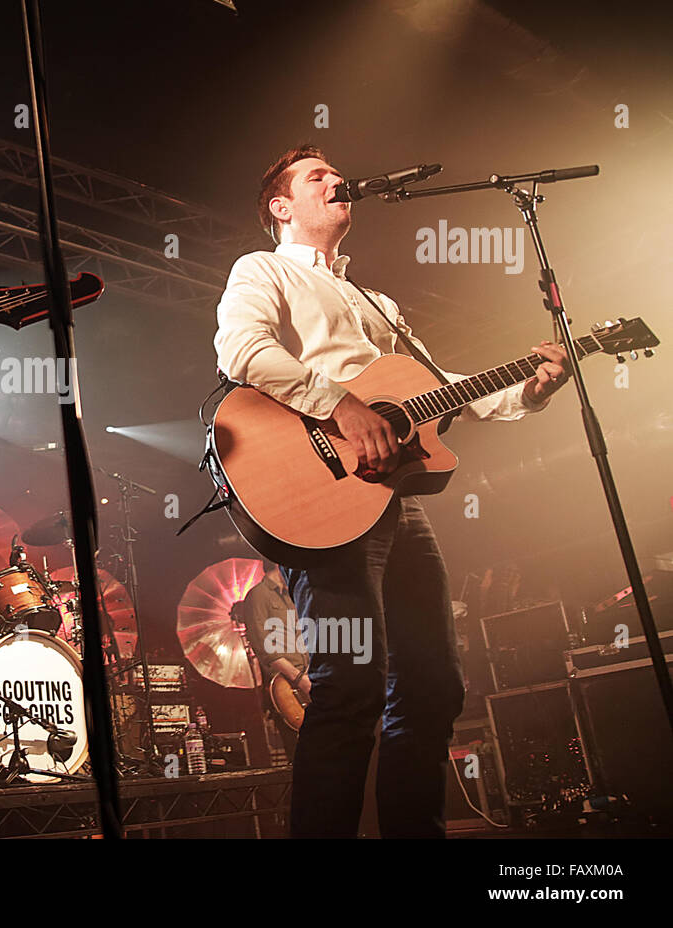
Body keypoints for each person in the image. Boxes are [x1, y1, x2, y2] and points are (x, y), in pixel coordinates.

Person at [214, 144, 572, 838]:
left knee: (435, 687)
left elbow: (436, 394)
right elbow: (244, 352)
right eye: (316, 175)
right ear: (281, 206)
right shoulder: (262, 270)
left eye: (333, 172)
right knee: (349, 687)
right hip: (320, 492)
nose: (335, 180)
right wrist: (339, 405)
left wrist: (528, 390)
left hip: (394, 503)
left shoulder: (378, 302)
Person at [239, 563, 308, 762]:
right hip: (285, 684)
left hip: (307, 680)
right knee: (299, 753)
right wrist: (299, 679)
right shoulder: (258, 595)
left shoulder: (292, 596)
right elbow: (264, 647)